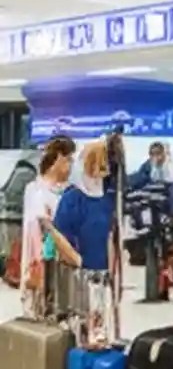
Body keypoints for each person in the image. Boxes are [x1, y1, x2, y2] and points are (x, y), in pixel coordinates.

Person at [48, 140, 116, 345]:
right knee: (82, 335)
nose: (103, 170)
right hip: (79, 277)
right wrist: (78, 266)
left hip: (105, 276)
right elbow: (61, 239)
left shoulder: (108, 199)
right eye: (99, 164)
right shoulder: (72, 199)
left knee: (103, 335)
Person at [21, 136, 79, 319]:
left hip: (67, 261)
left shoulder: (71, 191)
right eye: (69, 159)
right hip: (44, 261)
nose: (71, 165)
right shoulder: (36, 190)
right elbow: (36, 228)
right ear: (58, 159)